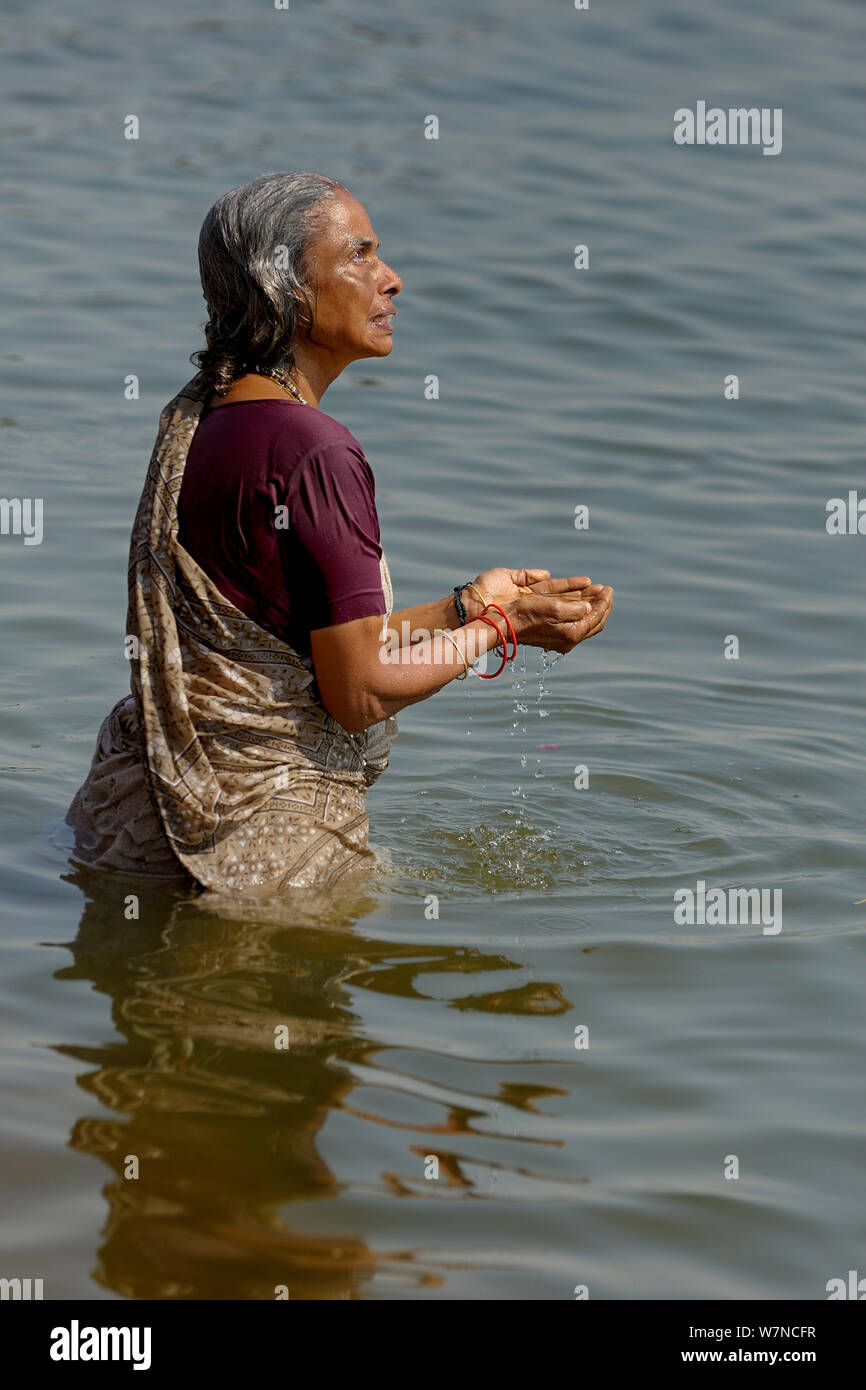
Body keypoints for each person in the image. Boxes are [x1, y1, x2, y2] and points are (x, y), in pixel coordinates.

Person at [65, 171, 613, 895]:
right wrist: (503, 629)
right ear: (285, 288)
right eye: (359, 256)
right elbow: (357, 693)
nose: (391, 280)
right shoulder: (314, 451)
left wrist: (464, 609)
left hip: (132, 830)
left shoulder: (200, 419)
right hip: (263, 859)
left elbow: (298, 649)